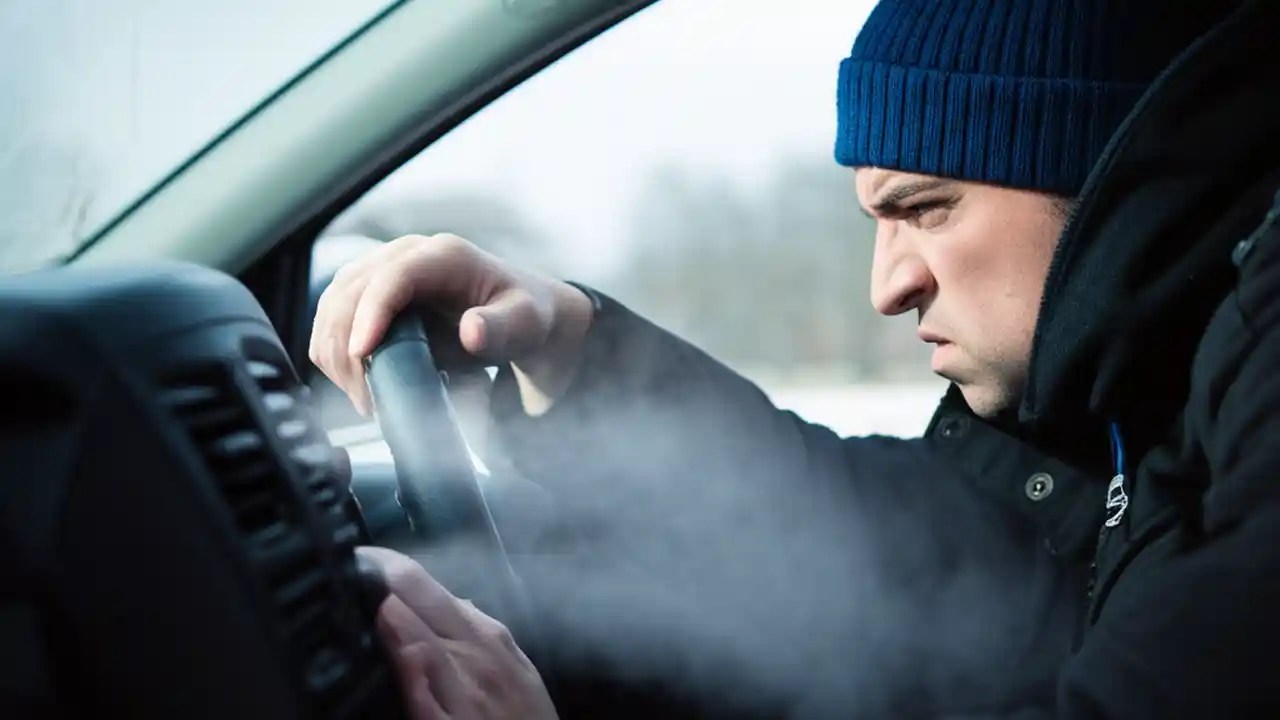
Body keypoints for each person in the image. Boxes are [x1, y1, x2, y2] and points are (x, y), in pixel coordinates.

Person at [316, 0, 1280, 717]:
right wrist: (575, 350)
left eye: (927, 209)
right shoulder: (1123, 418)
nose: (888, 286)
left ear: (1109, 172)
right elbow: (928, 538)